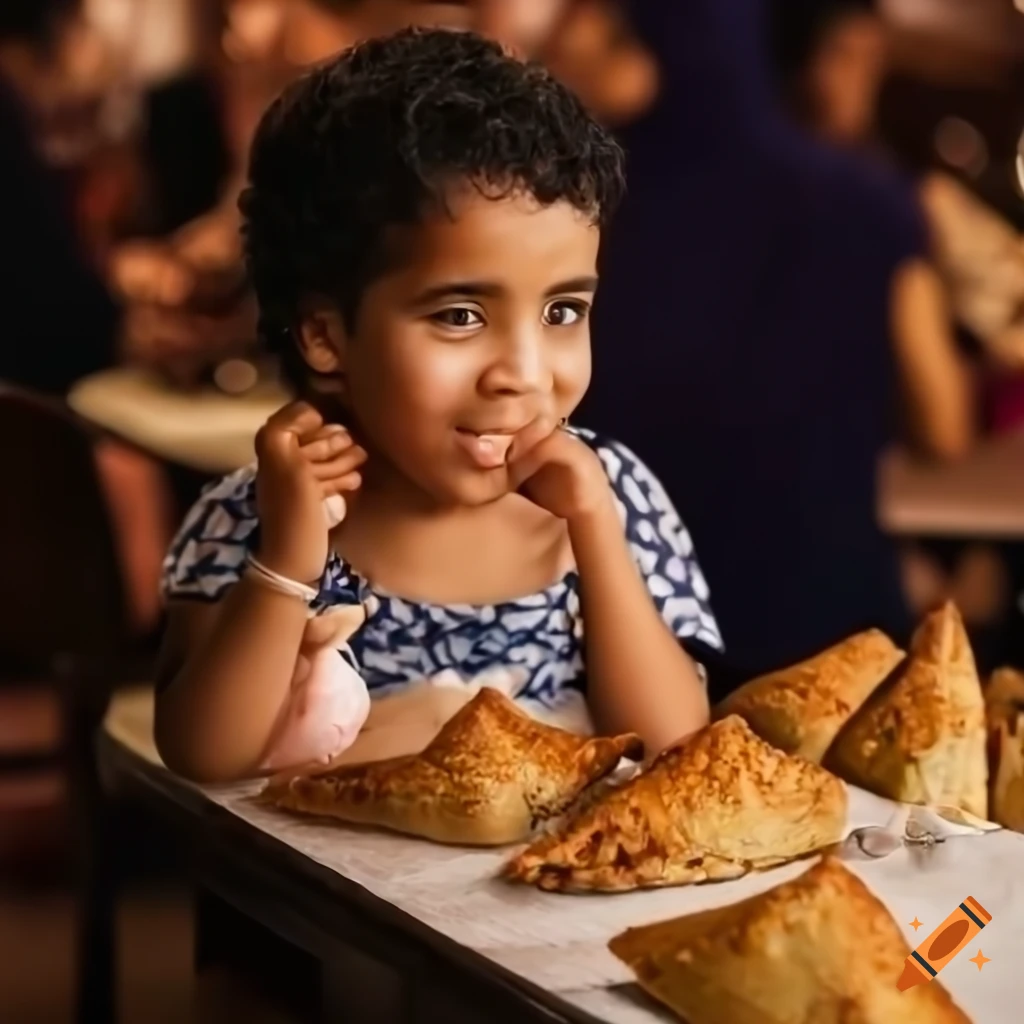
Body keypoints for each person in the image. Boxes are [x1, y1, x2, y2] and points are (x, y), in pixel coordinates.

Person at [154, 28, 720, 784]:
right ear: (325, 334)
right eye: (460, 316)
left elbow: (673, 746)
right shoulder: (255, 519)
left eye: (561, 313)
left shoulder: (612, 496)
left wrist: (596, 531)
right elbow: (204, 755)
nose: (522, 375)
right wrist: (289, 561)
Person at [576, 0, 953, 689]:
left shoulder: (583, 201)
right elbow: (942, 423)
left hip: (637, 635)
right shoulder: (869, 199)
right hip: (833, 631)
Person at [766, 0, 1022, 648]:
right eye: (852, 57)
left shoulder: (663, 196)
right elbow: (941, 427)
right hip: (833, 573)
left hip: (686, 574)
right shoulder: (874, 208)